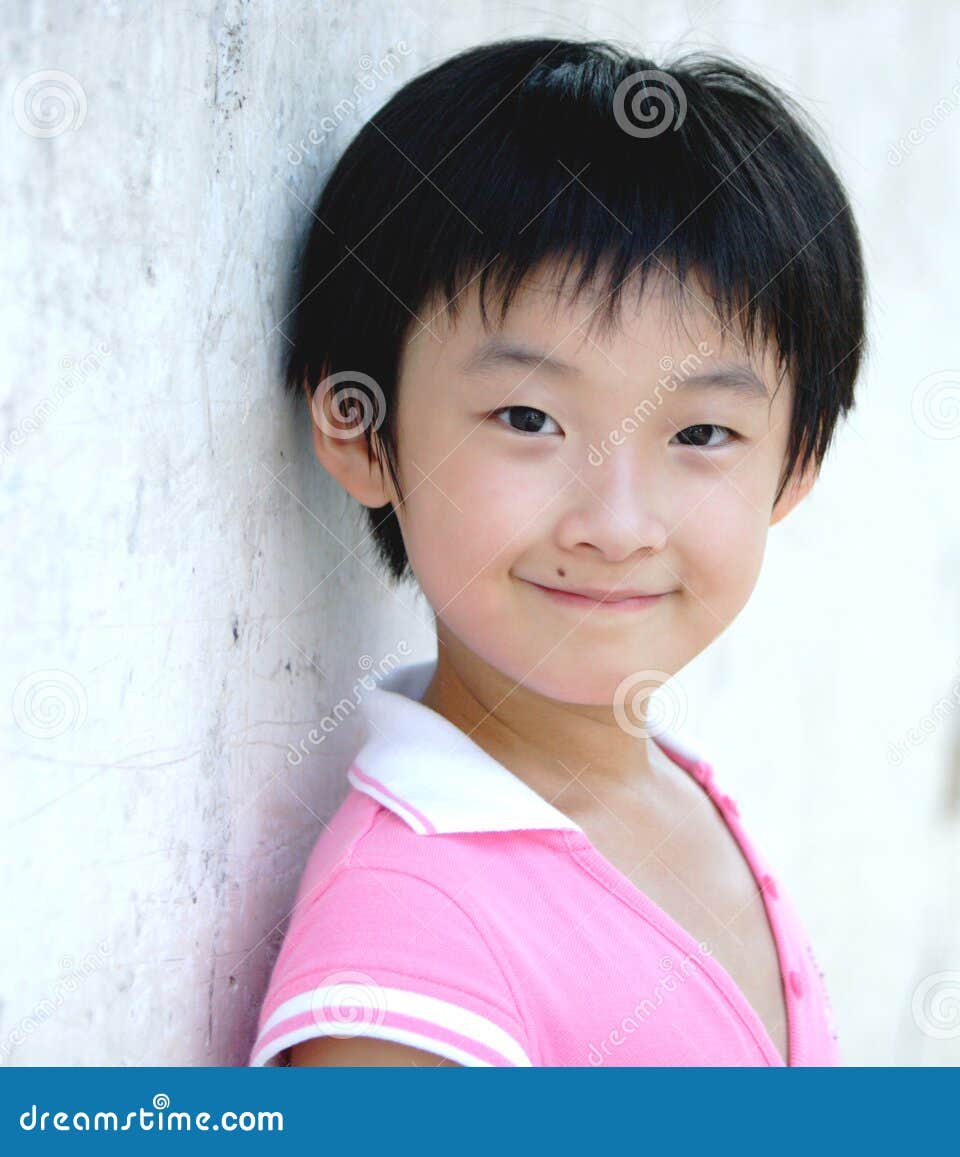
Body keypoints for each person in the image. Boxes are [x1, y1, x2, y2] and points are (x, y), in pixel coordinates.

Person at [248, 35, 865, 1066]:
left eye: (701, 434)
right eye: (529, 417)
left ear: (793, 464)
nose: (615, 522)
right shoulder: (409, 955)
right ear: (362, 430)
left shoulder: (681, 793)